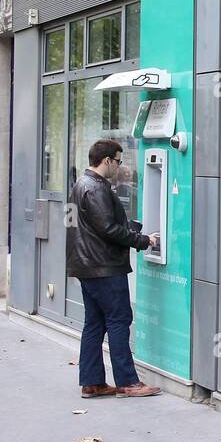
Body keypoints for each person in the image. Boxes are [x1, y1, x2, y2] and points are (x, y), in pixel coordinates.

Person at [65, 139, 162, 399]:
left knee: (94, 324)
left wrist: (133, 226)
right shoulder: (96, 188)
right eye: (118, 161)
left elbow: (90, 224)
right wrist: (144, 240)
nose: (119, 167)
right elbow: (107, 229)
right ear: (106, 160)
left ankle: (92, 382)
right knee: (119, 321)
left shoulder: (79, 186)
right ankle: (128, 382)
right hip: (104, 267)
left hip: (86, 266)